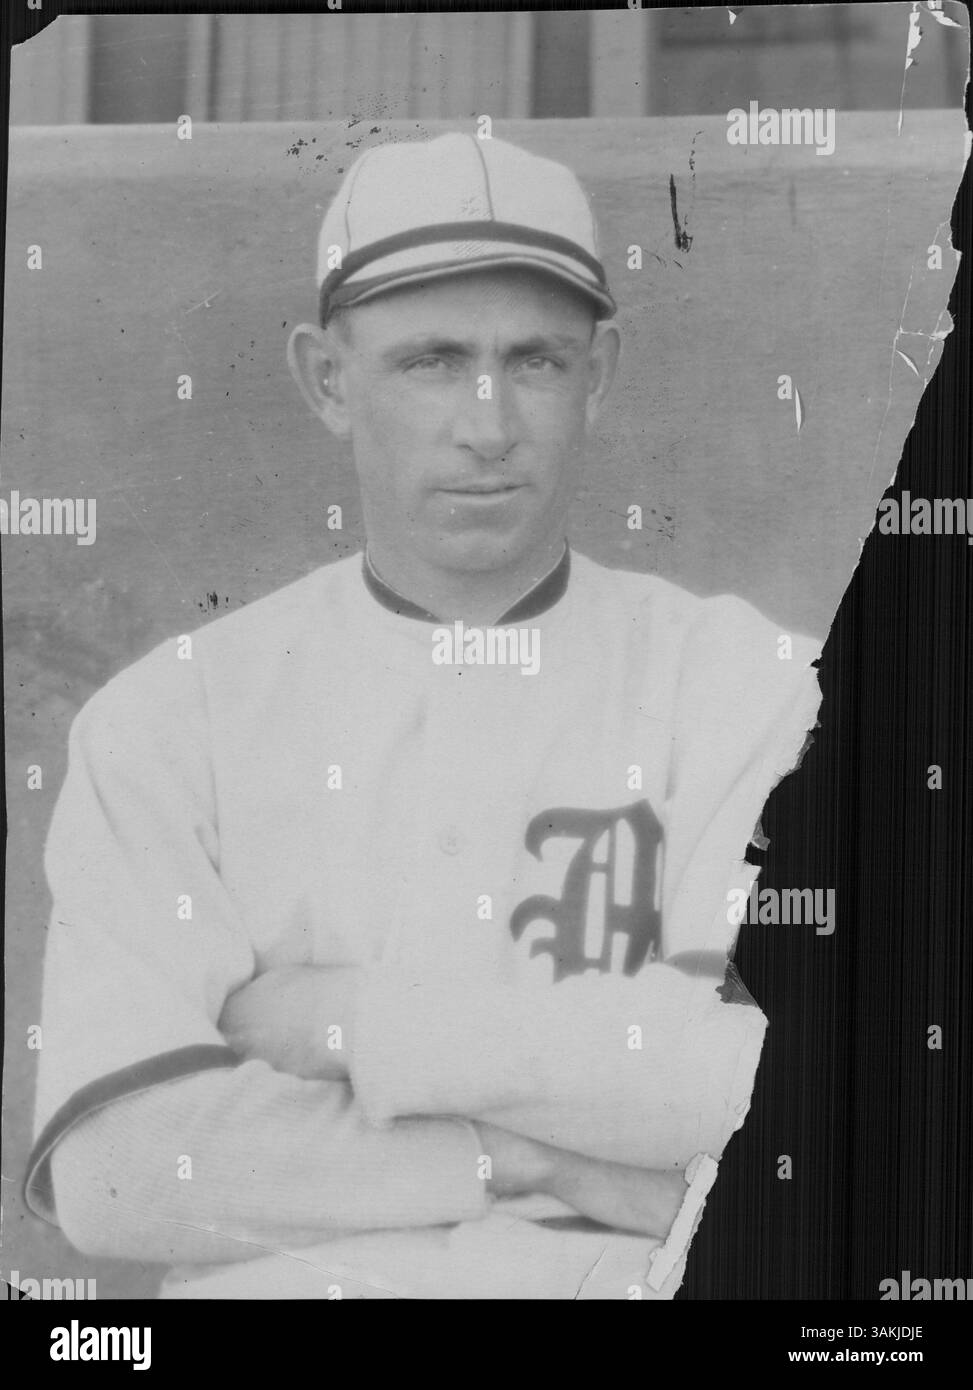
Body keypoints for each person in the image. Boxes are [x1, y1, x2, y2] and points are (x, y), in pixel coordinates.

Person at [25, 132, 821, 1299]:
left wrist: (357, 1023)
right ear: (326, 378)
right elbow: (114, 1171)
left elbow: (785, 1091)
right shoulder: (170, 720)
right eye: (432, 362)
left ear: (599, 371)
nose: (487, 423)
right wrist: (523, 1152)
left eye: (535, 361)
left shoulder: (748, 687)